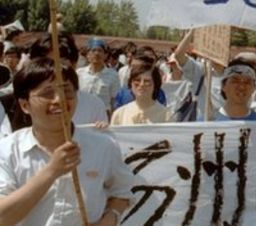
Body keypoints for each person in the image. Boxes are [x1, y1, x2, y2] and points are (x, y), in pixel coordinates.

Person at [0, 57, 136, 225]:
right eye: (47, 93)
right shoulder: (6, 151)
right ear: (25, 105)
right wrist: (51, 171)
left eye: (67, 91)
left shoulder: (104, 146)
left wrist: (110, 218)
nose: (59, 100)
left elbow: (122, 192)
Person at [110, 61, 172, 125]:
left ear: (155, 85)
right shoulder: (119, 114)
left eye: (147, 81)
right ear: (130, 84)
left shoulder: (166, 115)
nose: (141, 84)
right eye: (137, 80)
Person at [76, 37, 120, 114]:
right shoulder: (79, 73)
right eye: (93, 50)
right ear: (88, 55)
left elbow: (114, 100)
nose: (96, 53)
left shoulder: (113, 75)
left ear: (105, 55)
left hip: (103, 115)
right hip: (82, 113)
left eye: (100, 50)